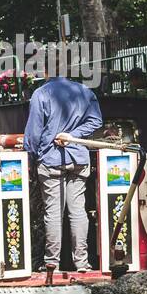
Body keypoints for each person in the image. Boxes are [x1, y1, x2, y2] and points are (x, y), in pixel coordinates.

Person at [23, 75, 103, 278]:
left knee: (53, 213)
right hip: (78, 159)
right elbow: (96, 121)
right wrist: (74, 134)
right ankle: (82, 263)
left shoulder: (41, 94)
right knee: (78, 211)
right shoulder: (85, 92)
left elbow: (33, 135)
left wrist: (31, 160)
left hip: (50, 161)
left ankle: (52, 264)